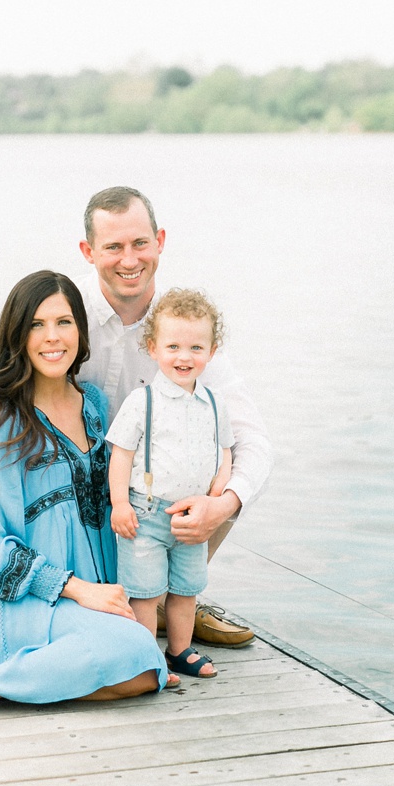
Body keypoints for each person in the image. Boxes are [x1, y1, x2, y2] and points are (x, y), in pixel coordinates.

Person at [0, 186, 273, 647]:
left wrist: (222, 506)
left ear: (160, 241)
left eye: (140, 243)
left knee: (220, 474)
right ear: (88, 251)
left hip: (156, 503)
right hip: (72, 500)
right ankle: (99, 601)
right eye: (113, 247)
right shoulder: (59, 314)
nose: (129, 259)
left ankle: (173, 600)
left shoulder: (183, 331)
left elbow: (255, 441)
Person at [0, 270, 168, 734]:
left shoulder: (96, 407)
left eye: (64, 322)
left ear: (80, 331)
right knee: (140, 660)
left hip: (85, 594)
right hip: (7, 595)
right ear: (17, 335)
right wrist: (80, 589)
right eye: (36, 325)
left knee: (145, 662)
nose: (52, 338)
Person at [107, 288, 234, 679]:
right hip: (145, 514)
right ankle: (145, 657)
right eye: (173, 346)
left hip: (191, 518)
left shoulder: (214, 403)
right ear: (153, 348)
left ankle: (179, 650)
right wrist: (120, 505)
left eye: (196, 347)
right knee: (145, 594)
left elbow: (225, 450)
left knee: (185, 589)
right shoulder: (142, 401)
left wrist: (216, 493)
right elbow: (122, 455)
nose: (184, 357)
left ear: (212, 351)